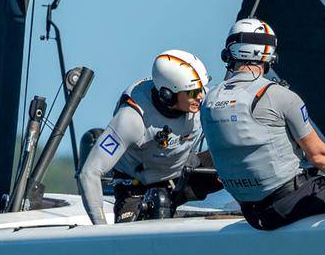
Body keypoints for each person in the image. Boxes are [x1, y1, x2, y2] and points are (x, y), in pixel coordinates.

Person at [202, 18, 325, 230]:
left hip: (251, 213)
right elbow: (320, 156)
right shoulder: (279, 95)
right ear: (268, 55)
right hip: (286, 205)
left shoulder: (209, 100)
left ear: (229, 53)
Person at [77, 49, 221, 224]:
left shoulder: (204, 100)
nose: (200, 96)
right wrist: (101, 229)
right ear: (168, 95)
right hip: (137, 189)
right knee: (129, 235)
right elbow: (89, 172)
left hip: (183, 176)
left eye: (201, 89)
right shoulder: (131, 119)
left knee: (236, 158)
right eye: (192, 92)